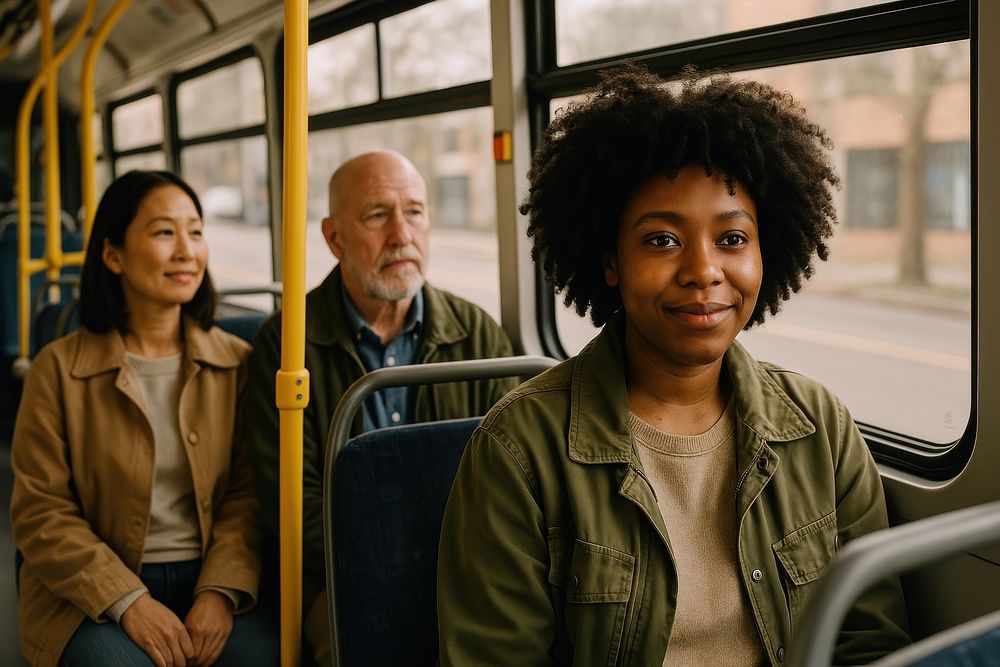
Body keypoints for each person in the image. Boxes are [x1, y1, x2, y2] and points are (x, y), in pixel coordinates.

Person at [437, 66, 911, 665]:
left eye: (733, 240)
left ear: (768, 252)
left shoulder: (821, 427)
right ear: (610, 261)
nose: (703, 271)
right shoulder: (518, 451)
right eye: (662, 240)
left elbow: (870, 642)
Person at [243, 149, 516, 665]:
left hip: (468, 567)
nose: (401, 235)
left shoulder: (476, 332)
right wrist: (392, 572)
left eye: (414, 212)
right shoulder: (287, 346)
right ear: (333, 238)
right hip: (339, 575)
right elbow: (295, 510)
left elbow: (514, 476)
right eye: (376, 215)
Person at [11, 170, 278, 667]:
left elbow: (247, 496)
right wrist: (127, 600)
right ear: (113, 255)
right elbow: (42, 511)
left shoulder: (238, 363)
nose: (186, 250)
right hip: (90, 593)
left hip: (213, 576)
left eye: (196, 232)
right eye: (163, 232)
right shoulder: (57, 369)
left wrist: (220, 590)